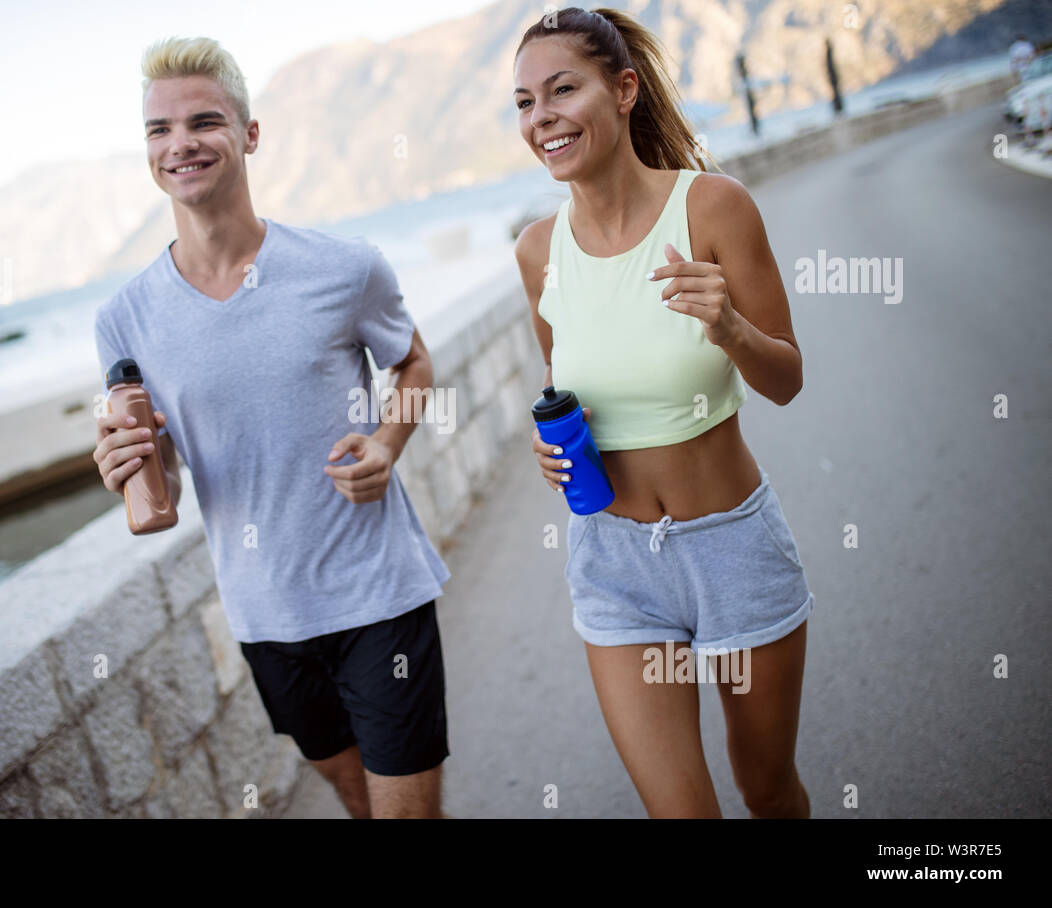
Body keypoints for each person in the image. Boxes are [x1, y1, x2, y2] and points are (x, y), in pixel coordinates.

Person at [92, 36, 451, 819]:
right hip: (266, 615)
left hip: (377, 591)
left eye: (203, 121)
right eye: (159, 129)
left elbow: (415, 363)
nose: (180, 143)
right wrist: (131, 462)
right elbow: (169, 478)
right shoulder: (124, 321)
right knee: (359, 801)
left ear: (249, 134)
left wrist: (387, 444)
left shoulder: (344, 268)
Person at [512, 7, 814, 818]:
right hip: (614, 566)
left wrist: (730, 328)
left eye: (561, 90)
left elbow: (785, 378)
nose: (541, 118)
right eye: (524, 103)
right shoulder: (537, 250)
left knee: (767, 788)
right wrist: (554, 450)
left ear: (624, 89)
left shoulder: (714, 208)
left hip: (732, 550)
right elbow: (561, 383)